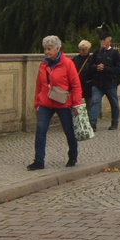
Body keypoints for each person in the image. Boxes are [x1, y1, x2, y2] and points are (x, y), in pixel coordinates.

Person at [30, 35, 82, 170]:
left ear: (57, 49)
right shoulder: (43, 64)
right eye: (45, 49)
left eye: (49, 49)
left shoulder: (68, 64)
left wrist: (76, 103)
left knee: (69, 131)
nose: (46, 52)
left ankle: (73, 156)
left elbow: (76, 85)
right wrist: (37, 104)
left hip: (63, 103)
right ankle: (39, 160)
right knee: (40, 130)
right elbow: (39, 85)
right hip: (45, 103)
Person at [88, 31, 120, 131]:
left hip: (110, 83)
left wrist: (105, 68)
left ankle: (114, 122)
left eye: (103, 40)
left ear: (109, 41)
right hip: (97, 83)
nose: (102, 42)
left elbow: (119, 68)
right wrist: (96, 68)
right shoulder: (97, 52)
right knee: (94, 102)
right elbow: (90, 66)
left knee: (114, 103)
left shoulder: (115, 53)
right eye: (101, 40)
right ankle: (92, 123)